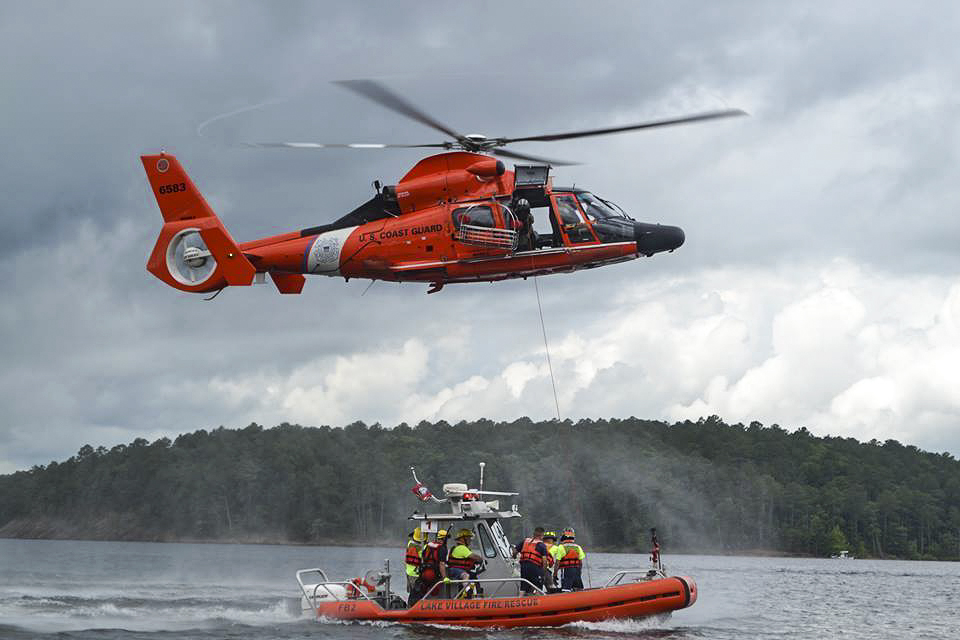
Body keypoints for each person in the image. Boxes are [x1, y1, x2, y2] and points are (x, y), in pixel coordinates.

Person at [409, 529, 448, 605]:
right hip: (433, 574)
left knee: (422, 590)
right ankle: (433, 607)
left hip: (423, 573)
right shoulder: (442, 549)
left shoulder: (428, 546)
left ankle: (417, 605)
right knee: (435, 592)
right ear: (444, 539)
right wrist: (444, 577)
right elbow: (442, 564)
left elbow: (423, 557)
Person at [446, 528, 484, 593]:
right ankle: (468, 590)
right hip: (455, 570)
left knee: (473, 575)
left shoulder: (460, 548)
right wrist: (481, 559)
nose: (470, 540)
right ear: (463, 539)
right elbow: (474, 556)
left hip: (457, 569)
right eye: (468, 538)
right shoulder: (462, 548)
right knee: (465, 575)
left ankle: (476, 592)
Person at [513, 526, 549, 594]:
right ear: (542, 536)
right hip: (534, 567)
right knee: (537, 585)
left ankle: (520, 599)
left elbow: (514, 551)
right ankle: (539, 600)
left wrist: (514, 557)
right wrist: (543, 574)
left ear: (534, 534)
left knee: (523, 585)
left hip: (524, 567)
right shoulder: (542, 545)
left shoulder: (525, 541)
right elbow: (544, 561)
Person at [405, 528, 425, 594]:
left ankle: (410, 604)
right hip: (416, 574)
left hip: (409, 572)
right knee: (417, 594)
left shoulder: (410, 544)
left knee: (411, 593)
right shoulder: (421, 549)